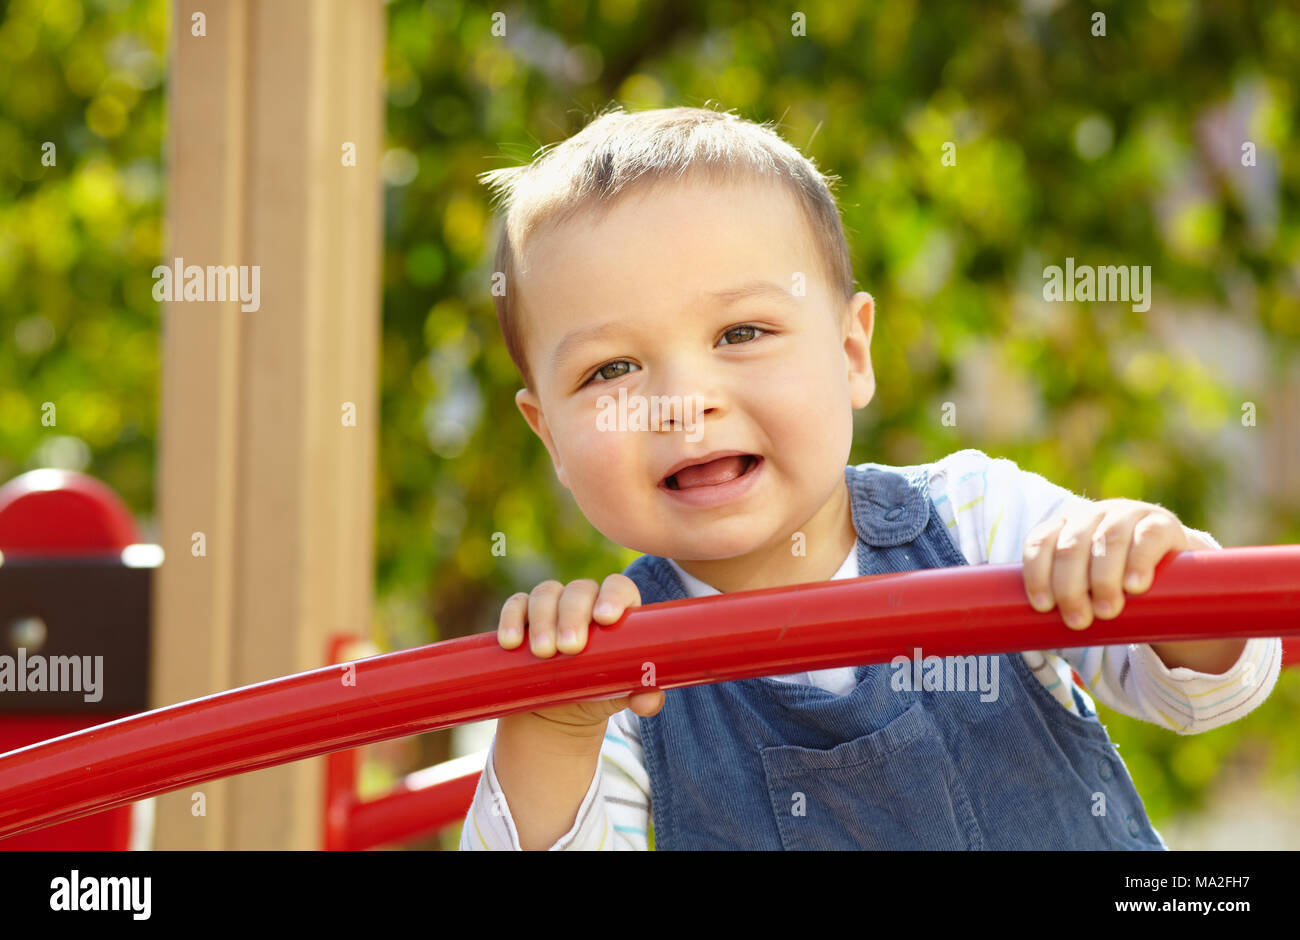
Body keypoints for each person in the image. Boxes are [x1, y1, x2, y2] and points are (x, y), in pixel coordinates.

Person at [458, 105, 1281, 850]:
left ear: (852, 353)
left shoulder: (976, 520)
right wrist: (549, 730)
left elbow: (1204, 691)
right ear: (551, 437)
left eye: (741, 331)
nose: (683, 403)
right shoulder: (610, 682)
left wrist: (1147, 565)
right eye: (610, 371)